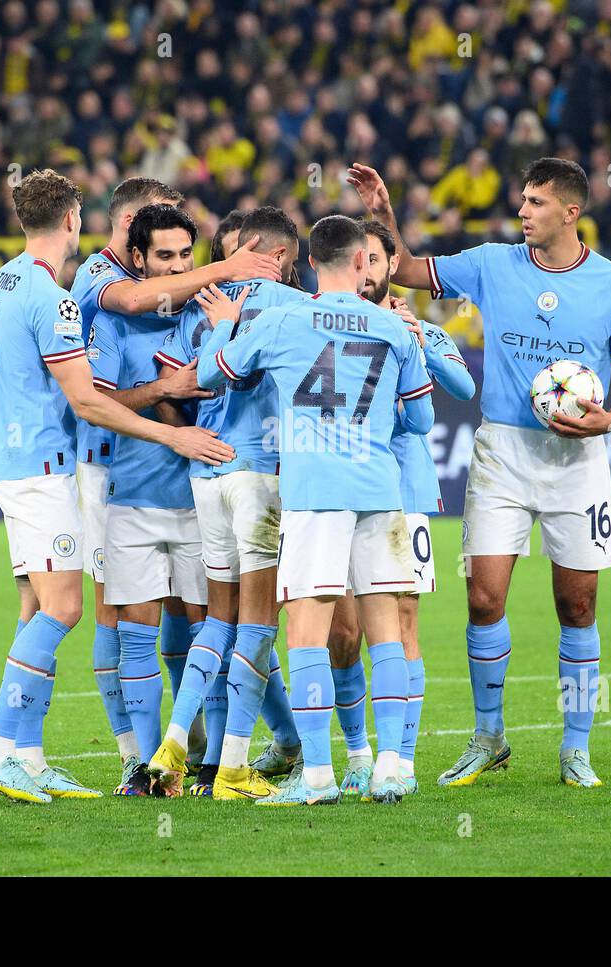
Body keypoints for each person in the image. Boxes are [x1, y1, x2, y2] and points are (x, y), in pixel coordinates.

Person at [348, 157, 611, 789]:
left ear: (571, 212)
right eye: (522, 199)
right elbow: (404, 270)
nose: (523, 210)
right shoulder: (492, 263)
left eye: (537, 202)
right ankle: (489, 735)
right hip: (503, 451)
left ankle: (576, 749)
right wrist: (384, 213)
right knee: (484, 597)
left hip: (577, 461)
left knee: (578, 604)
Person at [0, 170, 233, 804]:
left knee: (38, 610)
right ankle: (0, 753)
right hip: (48, 468)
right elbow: (89, 402)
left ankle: (28, 758)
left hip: (9, 464)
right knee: (68, 609)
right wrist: (174, 432)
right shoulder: (59, 298)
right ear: (74, 219)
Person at [198, 214, 435, 805]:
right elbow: (423, 420)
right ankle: (390, 768)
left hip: (313, 494)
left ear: (308, 264)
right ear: (362, 262)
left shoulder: (279, 319)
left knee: (307, 631)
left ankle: (320, 777)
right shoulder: (394, 327)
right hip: (380, 491)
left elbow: (212, 376)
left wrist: (226, 327)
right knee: (386, 633)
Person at [146, 205, 310, 800]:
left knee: (219, 617)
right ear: (285, 256)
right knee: (259, 621)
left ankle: (170, 747)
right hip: (259, 473)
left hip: (203, 470)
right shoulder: (297, 308)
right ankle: (235, 769)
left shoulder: (196, 301)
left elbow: (181, 385)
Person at [69, 177, 221, 793]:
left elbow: (223, 398)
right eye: (165, 257)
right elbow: (102, 403)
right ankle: (140, 763)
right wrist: (165, 392)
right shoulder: (108, 310)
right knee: (133, 626)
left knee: (209, 622)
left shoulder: (208, 314)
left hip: (203, 496)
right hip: (129, 489)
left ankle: (206, 757)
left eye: (187, 256)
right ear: (138, 255)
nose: (179, 268)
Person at [325, 219, 475, 798]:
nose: (366, 270)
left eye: (376, 260)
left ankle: (401, 758)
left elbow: (462, 388)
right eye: (357, 260)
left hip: (404, 490)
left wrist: (415, 342)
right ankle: (358, 751)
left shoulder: (418, 328)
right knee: (343, 630)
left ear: (391, 266)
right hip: (338, 487)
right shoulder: (327, 318)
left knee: (403, 619)